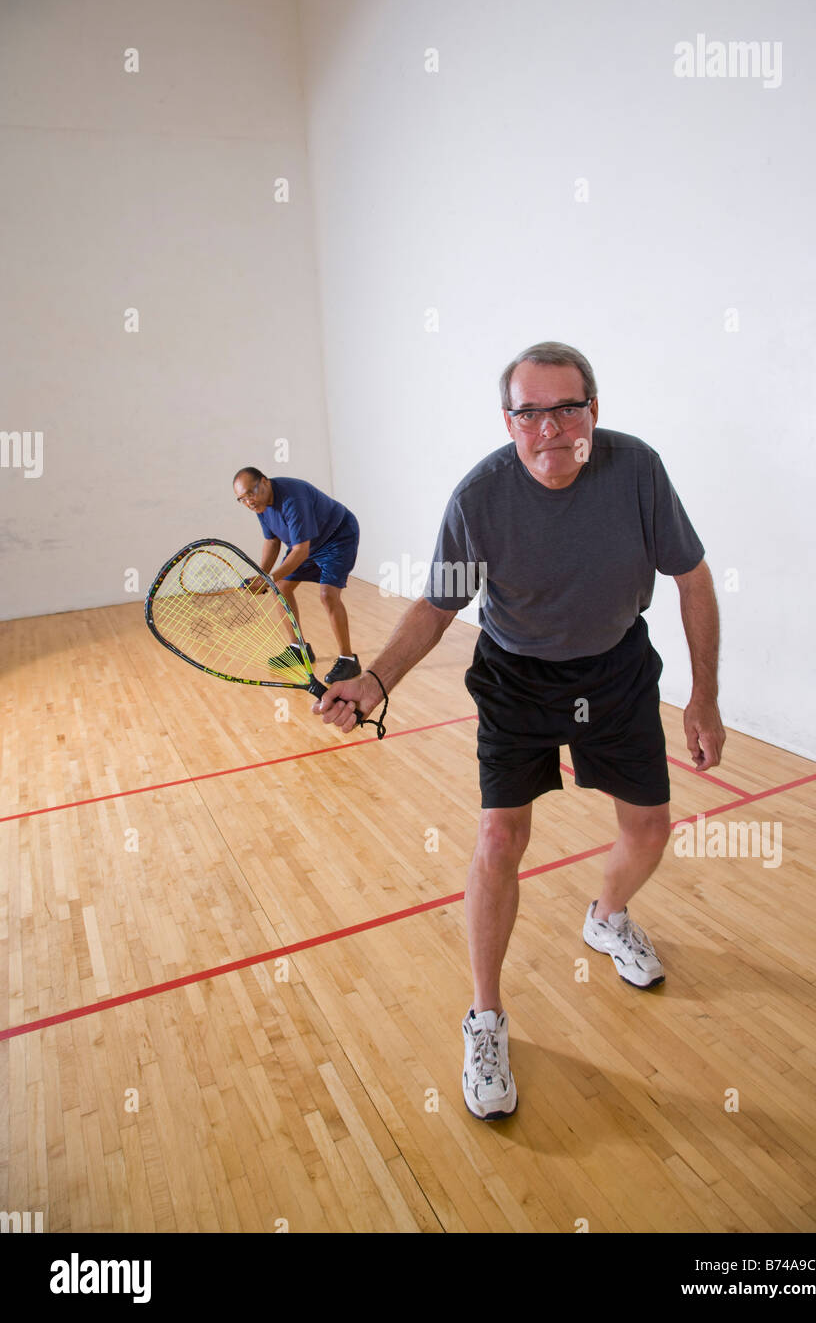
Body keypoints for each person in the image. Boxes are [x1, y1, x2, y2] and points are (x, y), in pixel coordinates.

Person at [312, 341, 725, 1120]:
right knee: (500, 839)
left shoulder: (637, 471)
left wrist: (704, 695)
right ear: (508, 422)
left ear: (593, 411)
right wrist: (375, 680)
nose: (550, 430)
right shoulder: (480, 499)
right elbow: (439, 607)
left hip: (615, 670)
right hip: (516, 676)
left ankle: (606, 918)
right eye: (529, 413)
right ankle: (486, 1019)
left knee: (650, 829)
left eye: (567, 408)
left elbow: (691, 576)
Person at [232, 467, 362, 684]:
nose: (249, 502)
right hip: (307, 545)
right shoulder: (260, 506)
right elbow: (272, 541)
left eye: (250, 493)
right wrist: (262, 575)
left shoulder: (293, 498)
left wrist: (267, 580)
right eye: (242, 499)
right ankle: (298, 650)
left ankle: (348, 659)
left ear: (264, 481)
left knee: (327, 595)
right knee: (281, 588)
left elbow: (301, 551)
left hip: (337, 537)